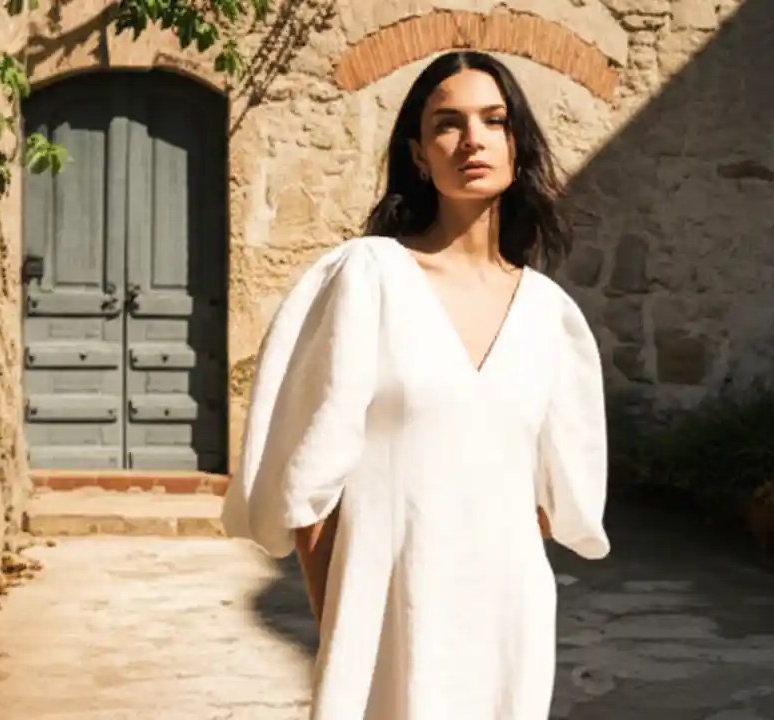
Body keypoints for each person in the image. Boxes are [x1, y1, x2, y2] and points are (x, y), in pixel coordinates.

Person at [222, 49, 611, 720]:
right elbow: (307, 490)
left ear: (517, 142)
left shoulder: (550, 314)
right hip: (384, 621)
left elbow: (551, 505)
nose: (472, 140)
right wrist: (342, 625)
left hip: (506, 630)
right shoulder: (367, 277)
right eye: (447, 124)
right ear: (419, 150)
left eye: (494, 120)